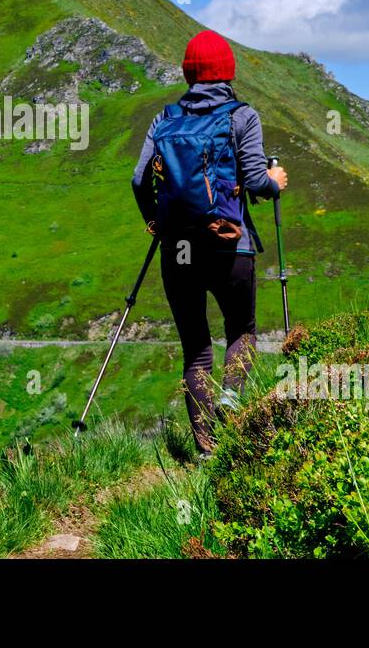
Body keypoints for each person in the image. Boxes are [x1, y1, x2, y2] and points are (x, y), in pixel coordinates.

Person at [130, 30, 288, 456]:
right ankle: (231, 406)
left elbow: (139, 180)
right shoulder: (242, 117)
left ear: (188, 73)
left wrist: (156, 223)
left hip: (177, 250)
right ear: (228, 72)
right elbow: (255, 179)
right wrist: (274, 184)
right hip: (229, 246)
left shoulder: (165, 119)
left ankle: (205, 451)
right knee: (241, 331)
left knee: (196, 349)